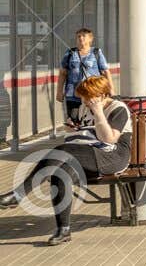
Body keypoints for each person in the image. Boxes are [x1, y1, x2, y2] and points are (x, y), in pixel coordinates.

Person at [1, 74, 130, 245]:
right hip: (89, 153)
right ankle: (63, 230)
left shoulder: (118, 108)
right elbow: (83, 133)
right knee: (60, 174)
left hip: (113, 156)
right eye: (83, 96)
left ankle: (18, 194)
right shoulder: (84, 107)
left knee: (61, 150)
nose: (84, 100)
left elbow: (109, 139)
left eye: (87, 96)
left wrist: (99, 113)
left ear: (102, 95)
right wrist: (72, 128)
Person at [59, 28, 110, 126]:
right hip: (73, 94)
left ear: (90, 39)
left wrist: (110, 89)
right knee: (73, 120)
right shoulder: (70, 53)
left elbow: (105, 72)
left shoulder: (96, 53)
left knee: (93, 118)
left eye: (84, 36)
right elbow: (62, 73)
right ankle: (75, 138)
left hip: (92, 93)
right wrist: (59, 92)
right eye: (78, 36)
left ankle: (92, 137)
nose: (81, 38)